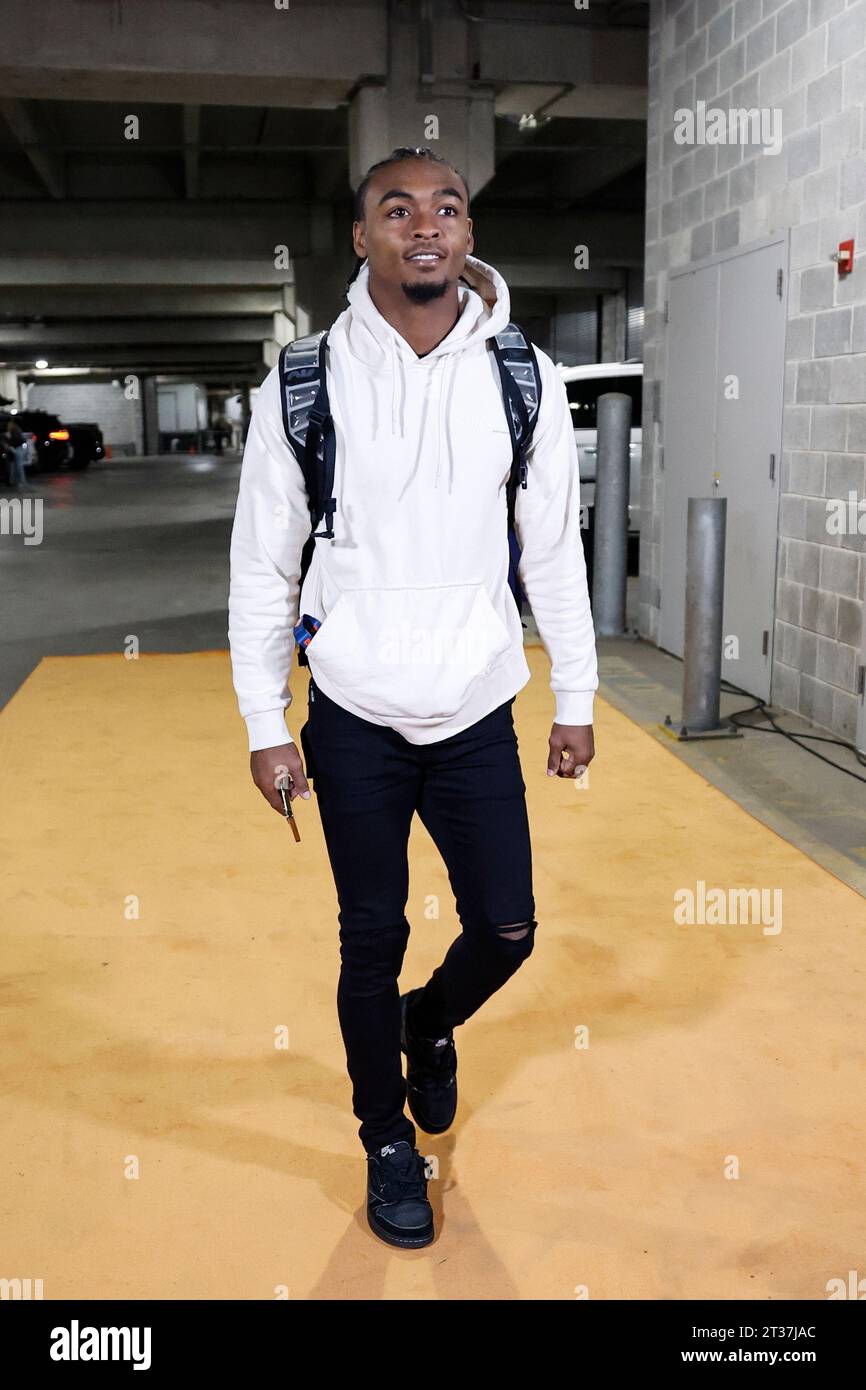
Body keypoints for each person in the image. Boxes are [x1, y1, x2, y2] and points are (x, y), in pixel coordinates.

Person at [227, 146, 598, 1249]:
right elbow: (264, 562)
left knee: (507, 926)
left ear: (466, 232)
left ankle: (427, 1025)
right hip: (352, 710)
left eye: (446, 207)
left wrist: (571, 692)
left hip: (477, 701)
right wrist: (262, 720)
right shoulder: (302, 380)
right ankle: (386, 1139)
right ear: (361, 238)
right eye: (398, 209)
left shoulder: (522, 374)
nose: (425, 225)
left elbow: (554, 555)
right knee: (369, 935)